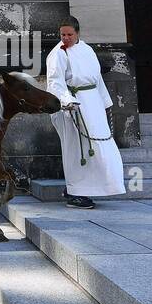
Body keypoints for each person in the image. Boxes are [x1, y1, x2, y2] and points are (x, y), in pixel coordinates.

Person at [45, 16, 126, 208]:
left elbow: (97, 78)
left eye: (69, 34)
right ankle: (76, 192)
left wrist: (105, 102)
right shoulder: (58, 54)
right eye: (62, 34)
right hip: (74, 105)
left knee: (101, 147)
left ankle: (91, 188)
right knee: (78, 149)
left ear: (78, 33)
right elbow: (55, 82)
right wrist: (67, 101)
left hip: (94, 104)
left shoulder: (87, 49)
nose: (66, 38)